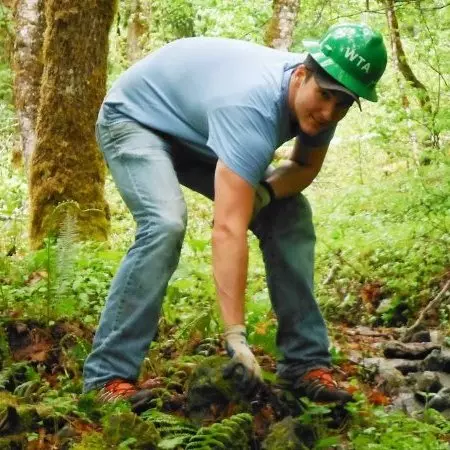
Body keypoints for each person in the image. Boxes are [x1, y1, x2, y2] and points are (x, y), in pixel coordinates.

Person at [83, 23, 387, 407]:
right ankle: (106, 378)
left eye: (342, 103)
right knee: (165, 222)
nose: (329, 111)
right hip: (135, 118)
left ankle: (304, 363)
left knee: (288, 212)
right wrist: (235, 337)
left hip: (194, 128)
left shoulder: (322, 105)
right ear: (301, 75)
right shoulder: (252, 106)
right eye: (324, 96)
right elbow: (228, 228)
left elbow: (304, 167)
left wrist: (266, 193)